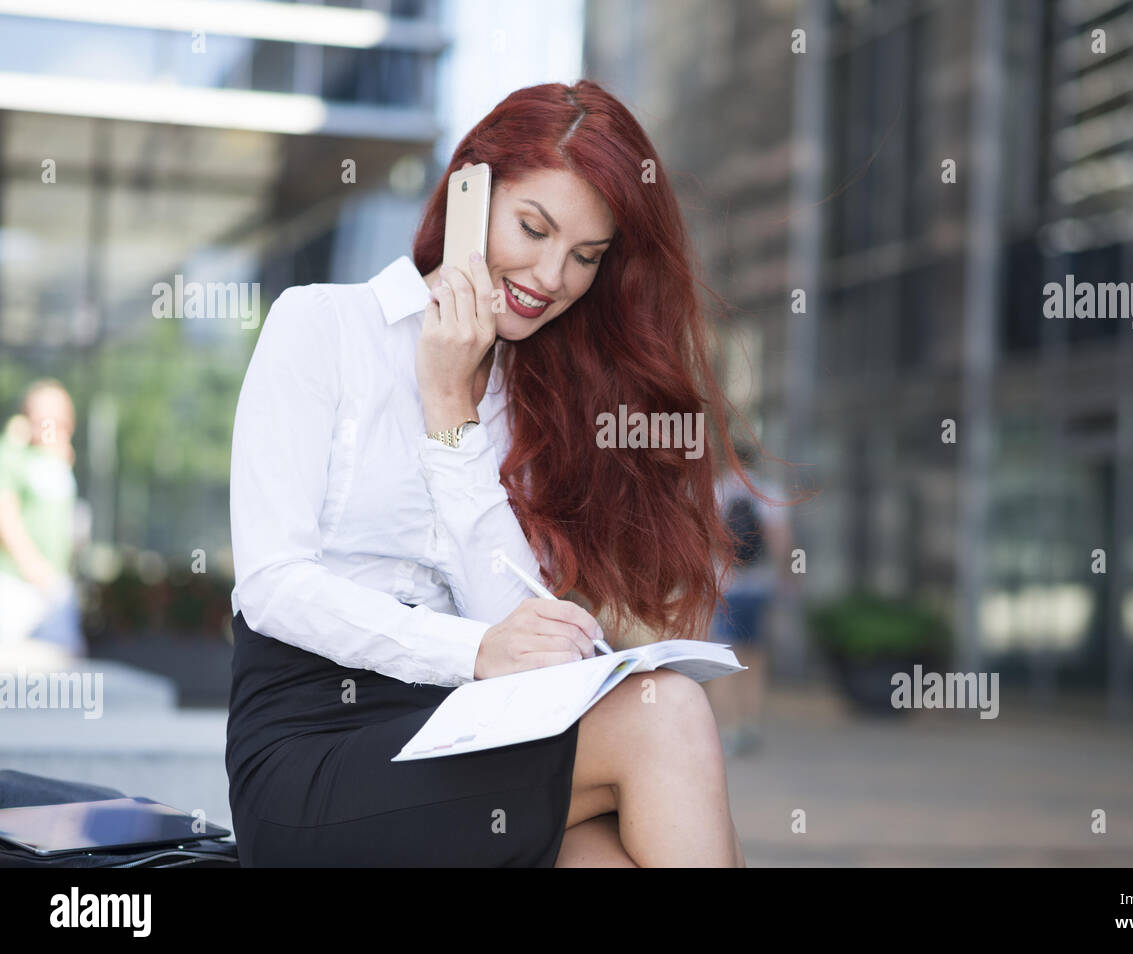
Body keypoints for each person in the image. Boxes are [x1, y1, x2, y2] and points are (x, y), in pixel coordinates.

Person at [226, 81, 767, 867]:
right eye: (534, 228)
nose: (552, 276)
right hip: (312, 753)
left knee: (606, 855)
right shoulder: (322, 325)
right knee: (666, 712)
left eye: (586, 257)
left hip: (464, 735)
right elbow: (272, 583)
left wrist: (453, 409)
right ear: (470, 192)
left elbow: (507, 624)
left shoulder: (536, 394)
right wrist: (470, 651)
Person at [705, 442, 792, 756]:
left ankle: (727, 729)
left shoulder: (716, 492)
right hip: (758, 586)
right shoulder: (768, 492)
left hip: (724, 587)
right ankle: (750, 724)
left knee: (723, 657)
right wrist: (785, 578)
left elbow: (705, 540)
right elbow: (780, 540)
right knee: (754, 657)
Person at [0, 381, 84, 669]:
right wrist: (33, 567)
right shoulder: (12, 455)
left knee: (63, 671)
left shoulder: (58, 461)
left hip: (55, 585)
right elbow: (5, 514)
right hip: (17, 583)